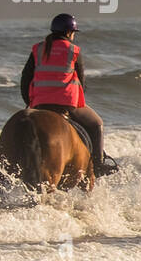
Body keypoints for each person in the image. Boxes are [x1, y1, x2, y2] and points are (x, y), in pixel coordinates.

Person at [19, 13, 118, 177]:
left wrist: (30, 101)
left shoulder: (38, 49)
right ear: (69, 33)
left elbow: (25, 78)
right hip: (66, 105)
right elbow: (82, 82)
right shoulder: (73, 51)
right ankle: (99, 165)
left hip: (39, 104)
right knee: (97, 125)